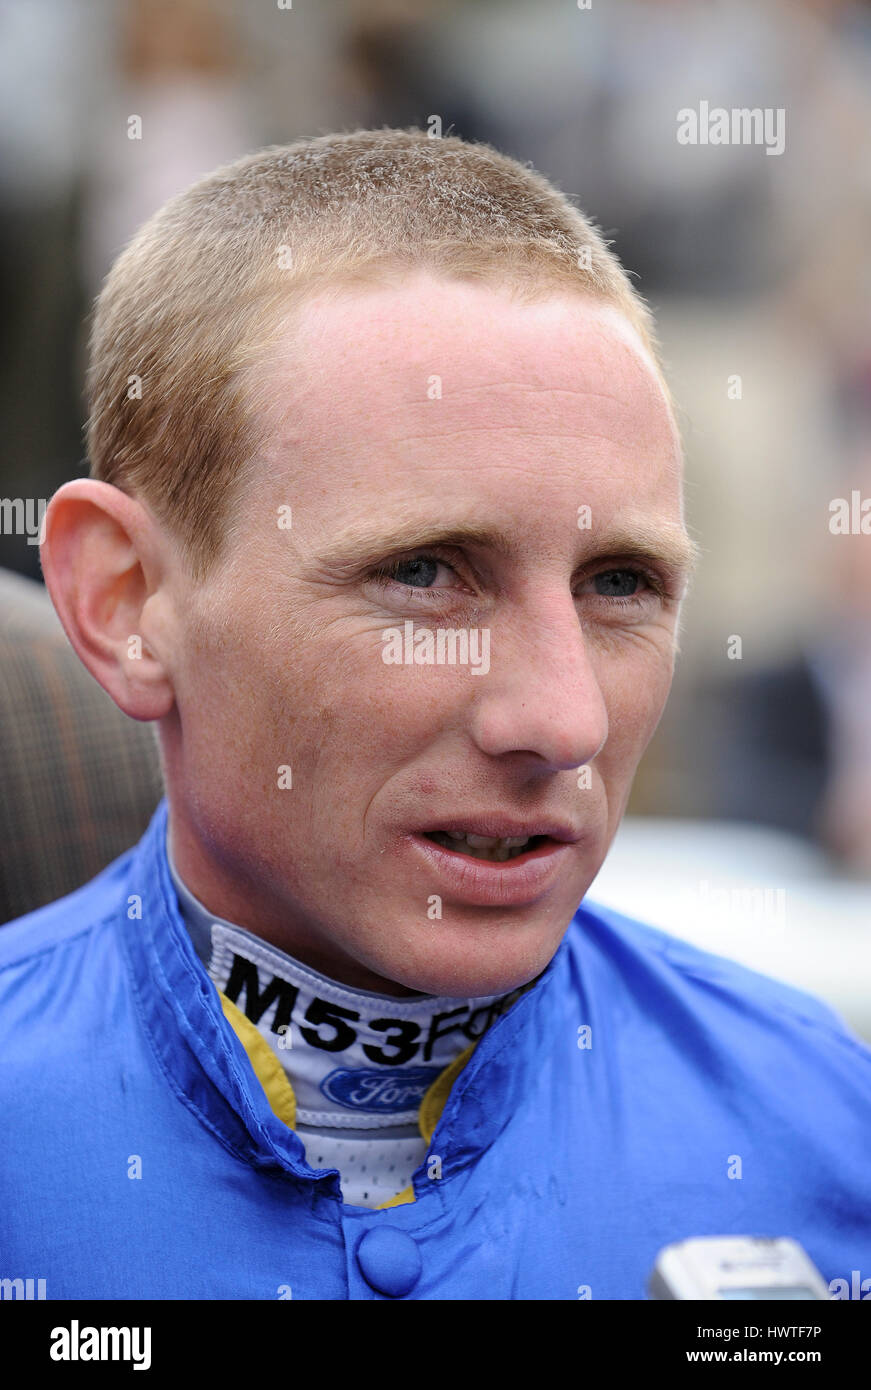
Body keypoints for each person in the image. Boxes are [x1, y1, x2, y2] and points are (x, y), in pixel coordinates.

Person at [2, 128, 869, 1301]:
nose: (563, 721)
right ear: (126, 601)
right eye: (424, 573)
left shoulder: (821, 1125)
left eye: (620, 584)